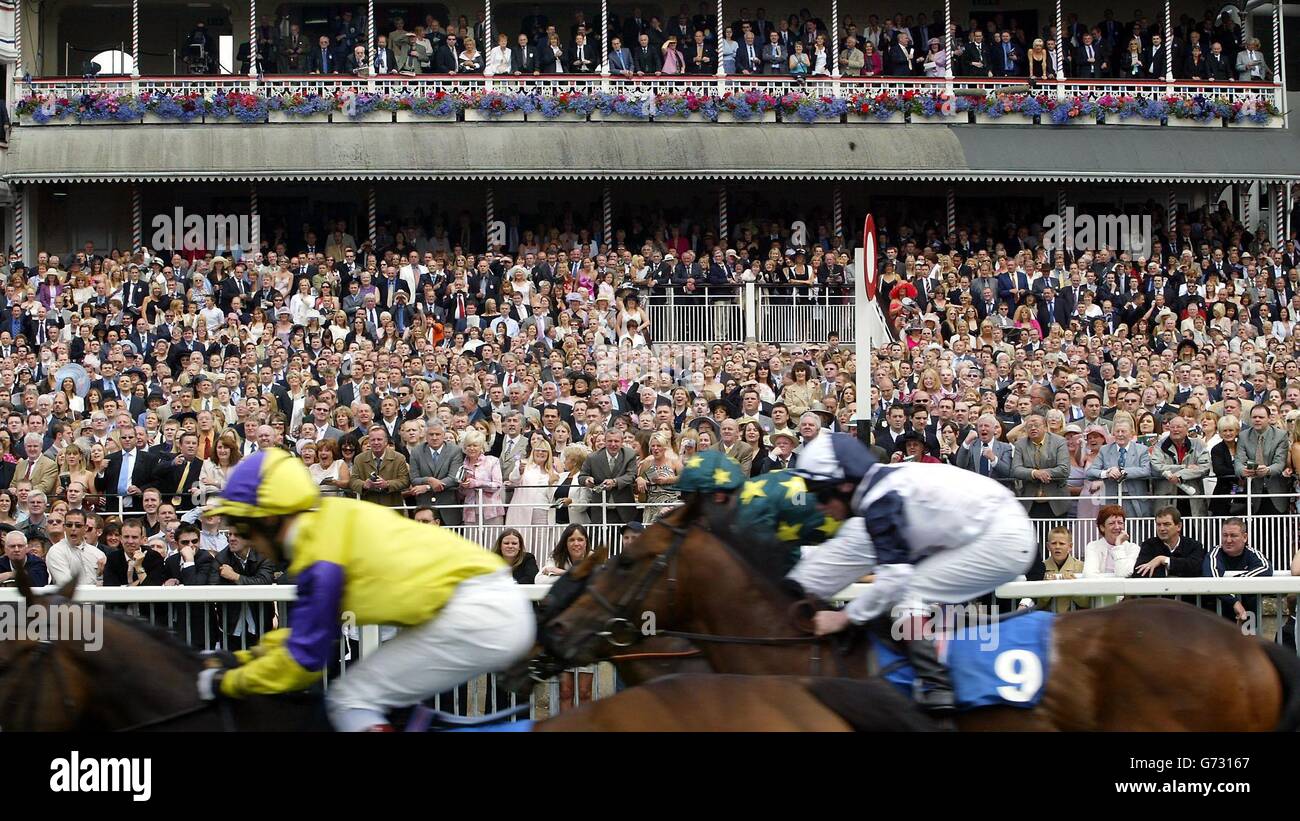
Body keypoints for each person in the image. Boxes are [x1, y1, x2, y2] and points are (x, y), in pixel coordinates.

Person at [199, 449, 535, 732]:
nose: (248, 541)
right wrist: (241, 657)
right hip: (479, 603)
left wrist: (223, 683)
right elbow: (304, 638)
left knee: (351, 699)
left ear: (269, 521)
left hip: (478, 612)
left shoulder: (318, 557)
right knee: (372, 692)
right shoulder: (324, 526)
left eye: (245, 529)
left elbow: (302, 663)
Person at [787, 433, 1036, 714]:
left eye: (819, 492)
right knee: (899, 593)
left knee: (908, 593)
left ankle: (937, 687)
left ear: (844, 486)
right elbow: (839, 556)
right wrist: (792, 589)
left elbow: (894, 580)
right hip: (989, 524)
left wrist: (843, 617)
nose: (818, 505)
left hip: (1003, 538)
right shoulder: (874, 493)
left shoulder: (881, 502)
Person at [1203, 517, 1272, 625]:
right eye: (1225, 535)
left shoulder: (1252, 553)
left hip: (1247, 619)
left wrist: (1233, 582)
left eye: (1233, 535)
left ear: (1245, 537)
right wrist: (1234, 601)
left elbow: (1266, 569)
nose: (1228, 540)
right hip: (1218, 621)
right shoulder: (1215, 553)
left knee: (1248, 641)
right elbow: (1212, 578)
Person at [1018, 526, 1089, 613]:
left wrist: (1073, 587)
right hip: (1047, 622)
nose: (1057, 547)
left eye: (1062, 543)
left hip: (1073, 621)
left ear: (1070, 546)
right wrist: (1047, 590)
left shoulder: (1081, 567)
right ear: (1048, 546)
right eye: (1054, 543)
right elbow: (1037, 604)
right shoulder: (1040, 568)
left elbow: (1086, 603)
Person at [1132, 506, 1206, 578]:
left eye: (1166, 524)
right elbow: (1139, 572)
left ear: (1179, 526)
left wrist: (1163, 560)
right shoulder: (1149, 545)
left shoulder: (1194, 546)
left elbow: (1197, 569)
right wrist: (1176, 569)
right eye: (1158, 525)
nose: (1162, 528)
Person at [1083, 505, 1140, 578]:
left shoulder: (1133, 548)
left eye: (1120, 523)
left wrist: (1118, 545)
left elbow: (1124, 573)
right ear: (1102, 527)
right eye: (1111, 523)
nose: (1117, 527)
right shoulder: (1093, 546)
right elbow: (1089, 575)